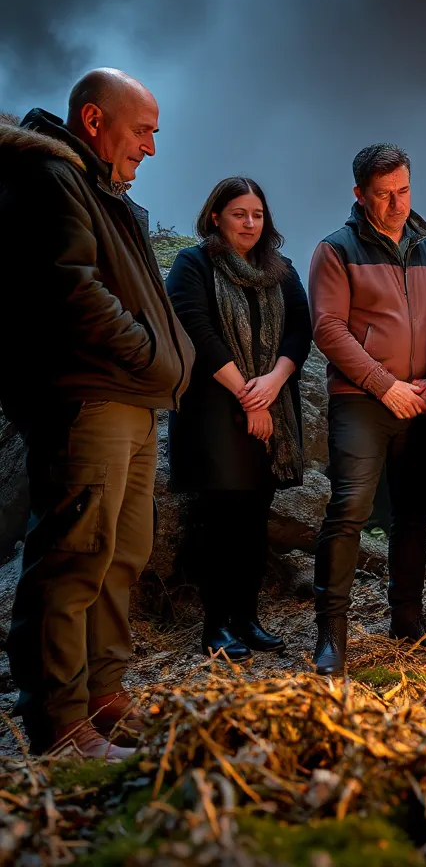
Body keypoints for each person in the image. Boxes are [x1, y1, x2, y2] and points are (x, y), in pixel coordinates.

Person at [0, 70, 195, 759]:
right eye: (141, 131)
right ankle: (60, 725)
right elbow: (69, 287)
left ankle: (106, 700)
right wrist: (150, 353)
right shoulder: (51, 180)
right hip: (88, 396)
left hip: (132, 402)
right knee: (74, 557)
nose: (148, 147)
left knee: (121, 555)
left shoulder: (100, 189)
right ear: (93, 119)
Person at [307, 143, 426, 675]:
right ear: (359, 194)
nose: (396, 204)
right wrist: (384, 384)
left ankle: (407, 619)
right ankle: (331, 635)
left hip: (419, 399)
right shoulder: (336, 250)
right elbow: (328, 328)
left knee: (414, 514)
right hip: (361, 401)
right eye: (382, 195)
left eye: (403, 191)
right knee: (349, 510)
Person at [166, 177, 312, 661]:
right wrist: (251, 398)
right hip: (214, 412)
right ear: (216, 217)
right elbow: (196, 330)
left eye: (257, 215)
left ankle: (247, 619)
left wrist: (271, 385)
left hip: (270, 406)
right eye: (238, 214)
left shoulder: (281, 270)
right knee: (219, 523)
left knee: (253, 521)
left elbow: (299, 332)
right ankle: (216, 626)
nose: (250, 223)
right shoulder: (193, 264)